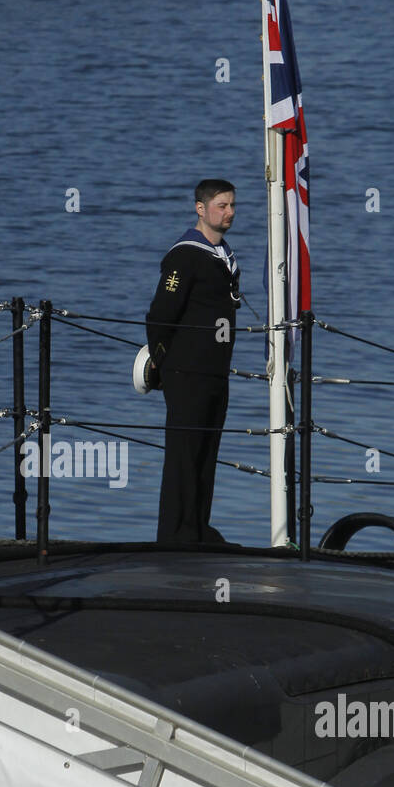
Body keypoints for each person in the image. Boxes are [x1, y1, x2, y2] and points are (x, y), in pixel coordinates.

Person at [146, 179, 241, 546]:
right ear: (201, 209)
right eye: (221, 205)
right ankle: (175, 534)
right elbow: (160, 314)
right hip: (187, 371)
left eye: (232, 205)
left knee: (207, 449)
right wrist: (162, 362)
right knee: (184, 453)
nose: (229, 212)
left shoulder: (223, 255)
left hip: (216, 370)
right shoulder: (185, 256)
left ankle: (199, 527)